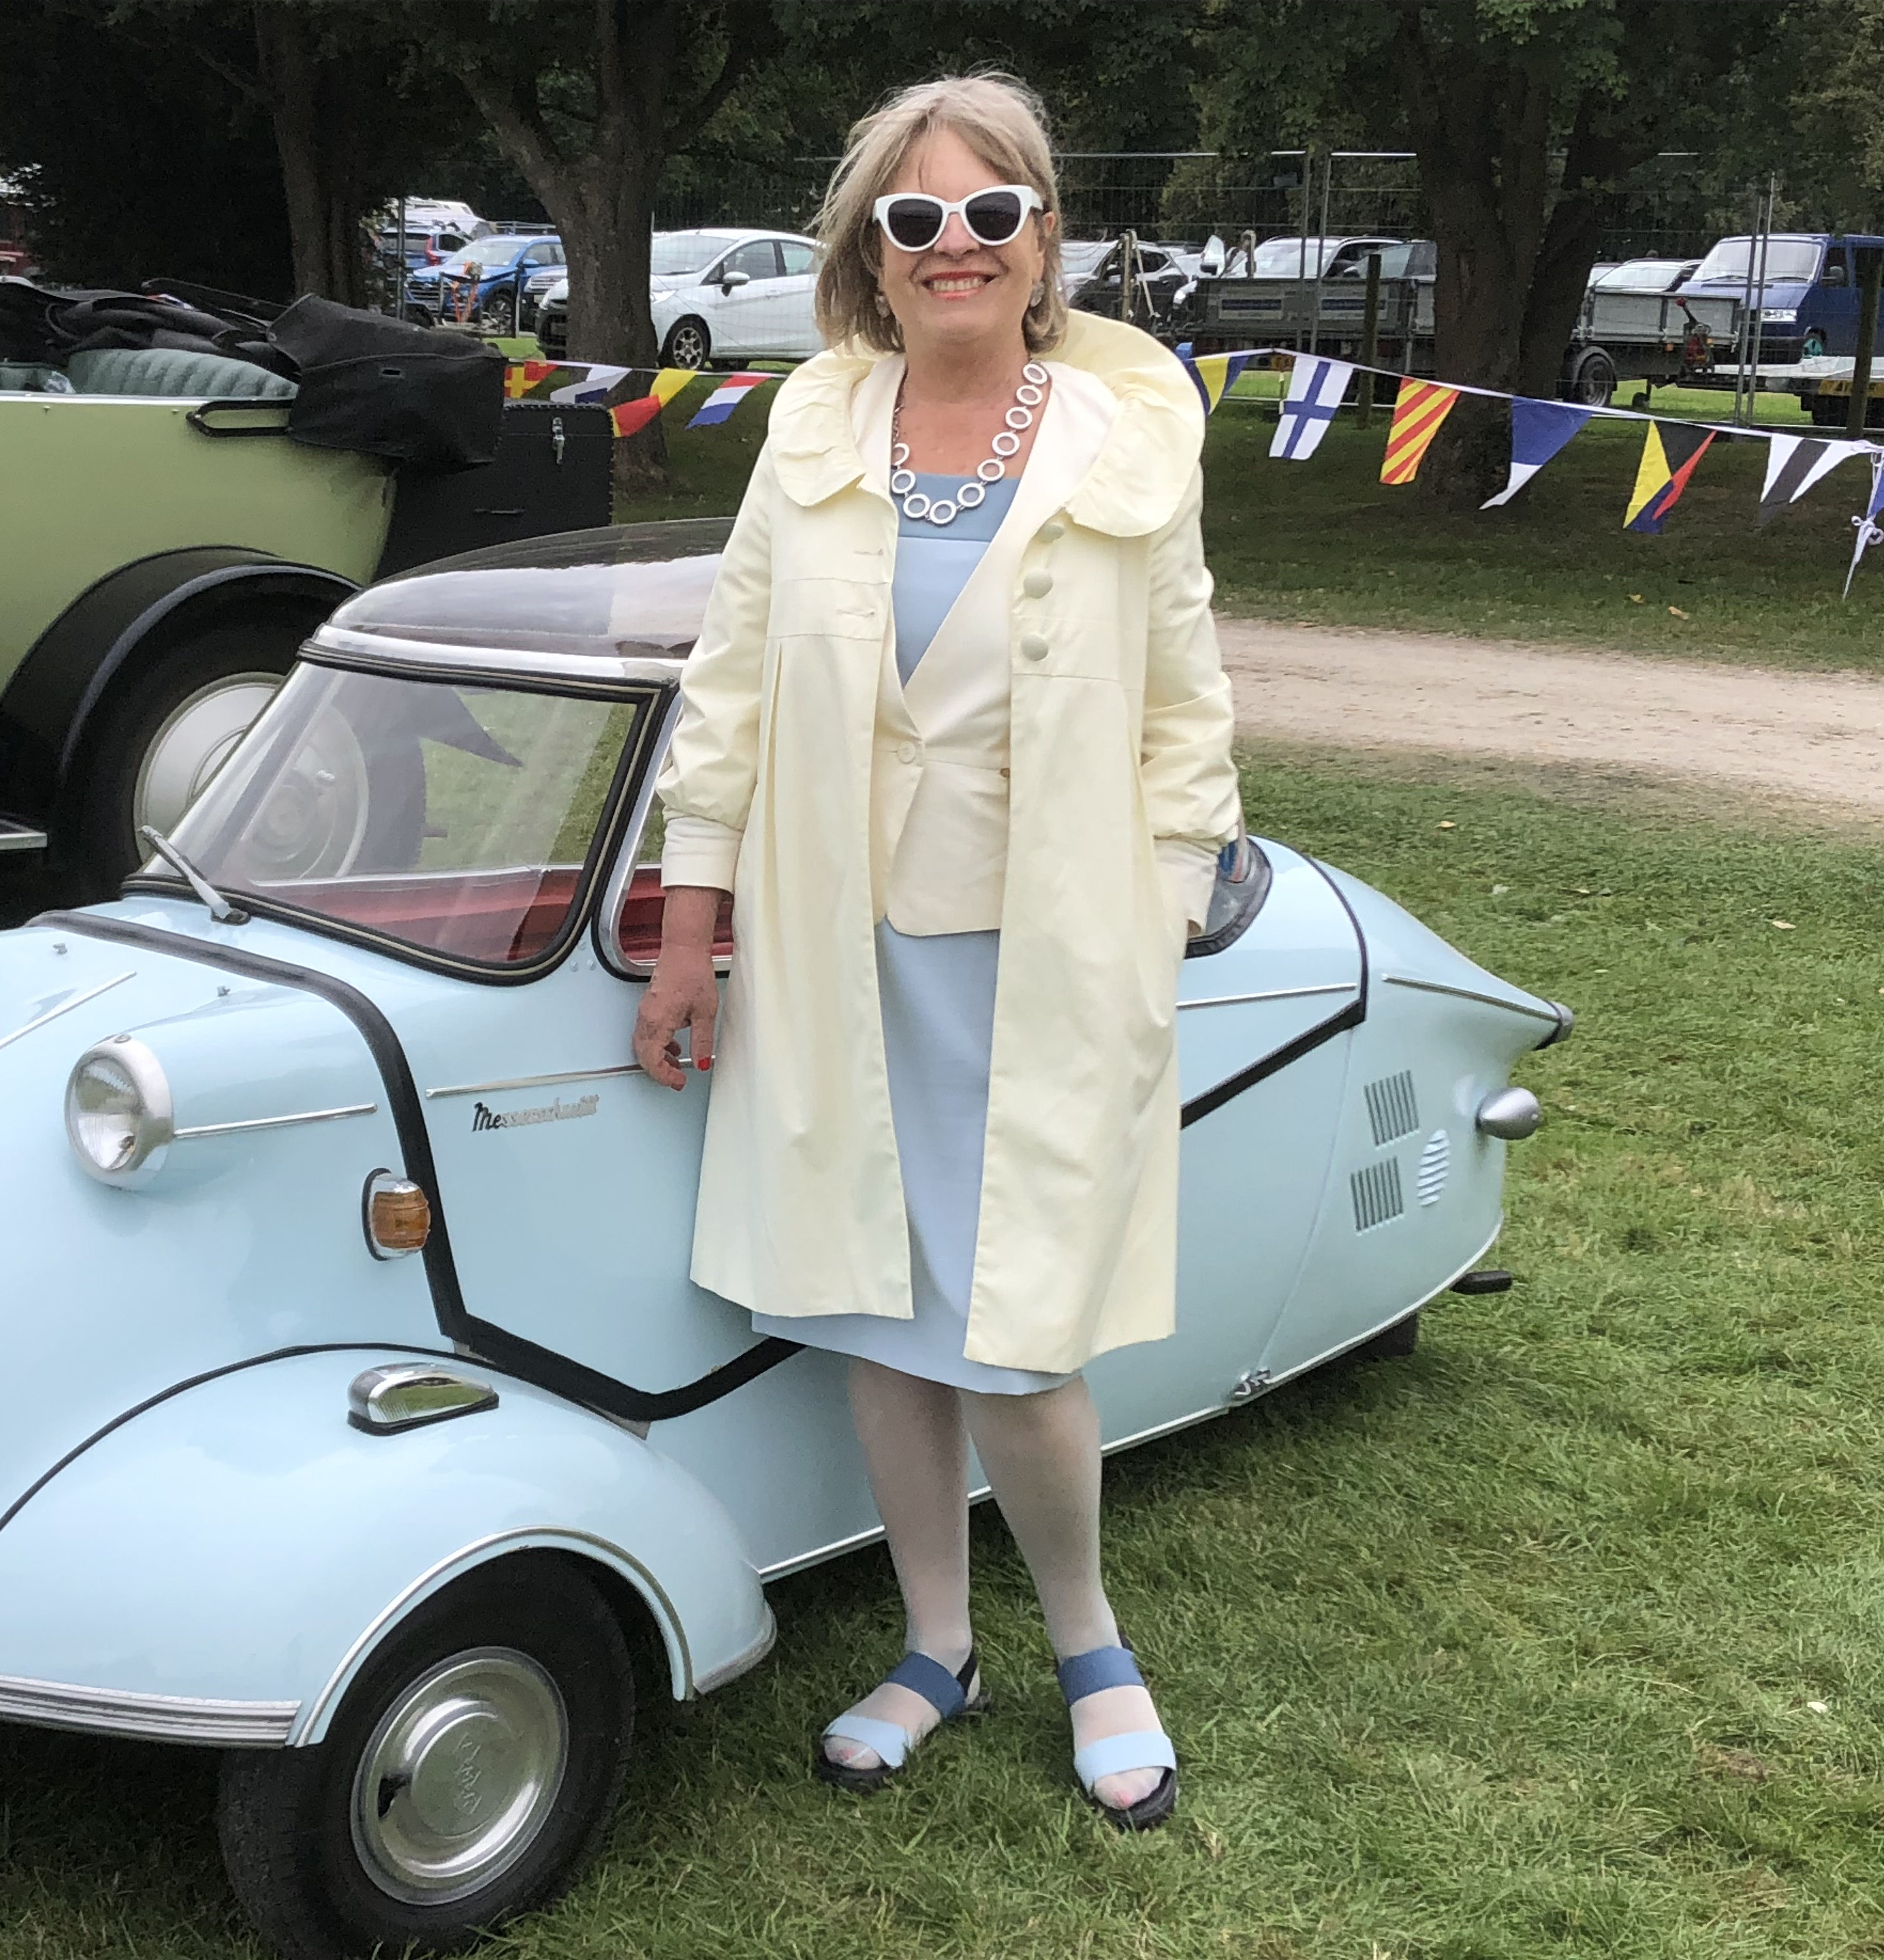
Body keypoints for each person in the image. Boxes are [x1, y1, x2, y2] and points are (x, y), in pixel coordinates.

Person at [629, 72, 1240, 1831]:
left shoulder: (1128, 443)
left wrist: (1166, 910)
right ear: (870, 260)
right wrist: (692, 925)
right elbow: (729, 692)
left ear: (1046, 241)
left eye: (992, 214)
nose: (955, 246)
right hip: (838, 948)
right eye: (917, 221)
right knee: (877, 1323)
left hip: (1043, 953)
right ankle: (933, 1643)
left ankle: (1090, 1643)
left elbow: (1187, 709)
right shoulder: (814, 432)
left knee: (1024, 1341)